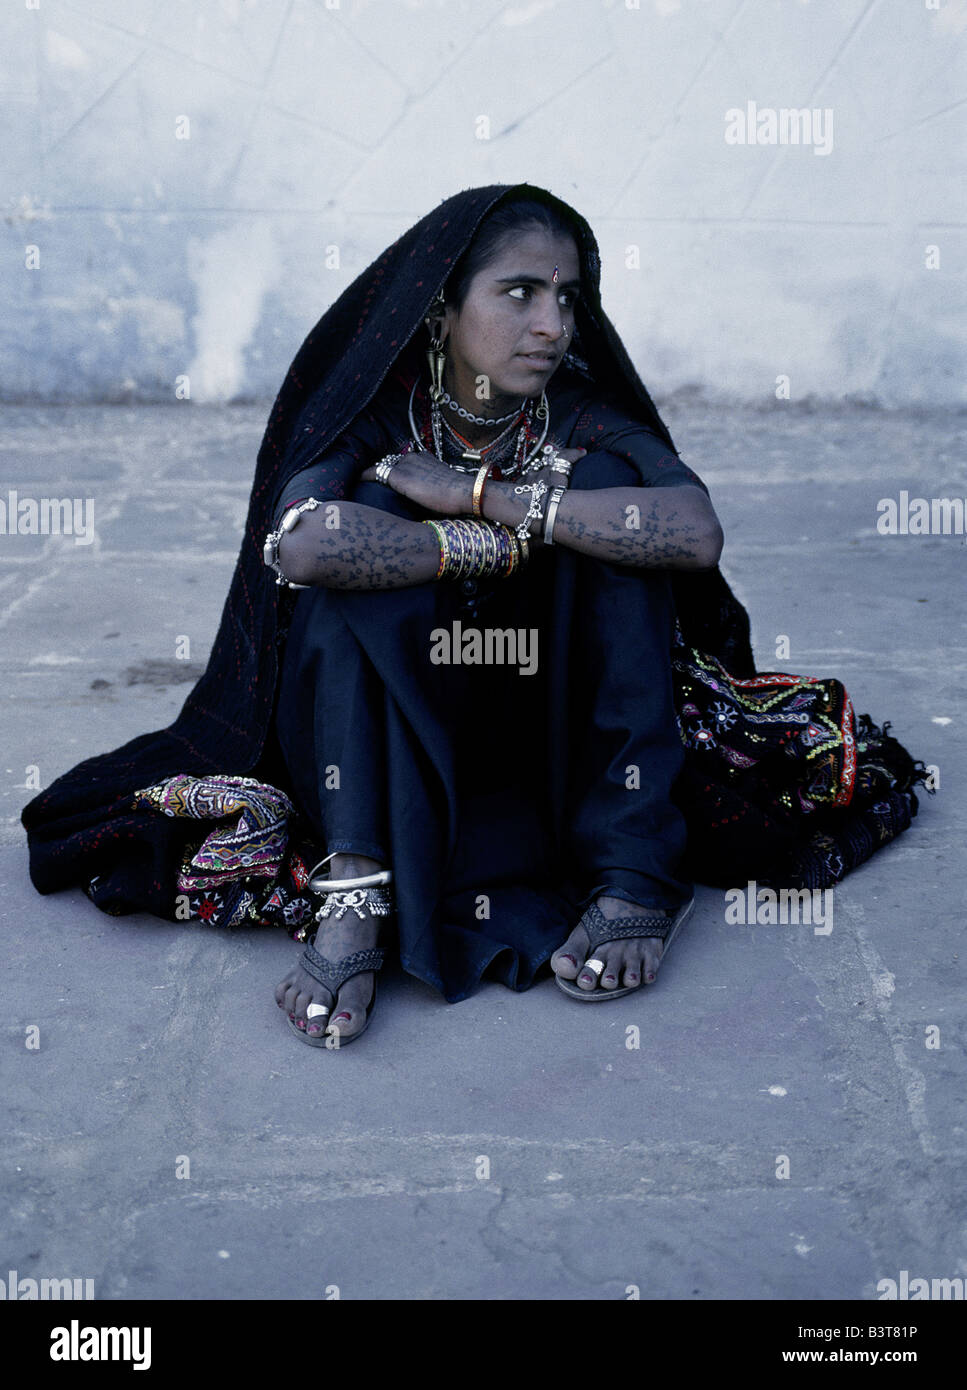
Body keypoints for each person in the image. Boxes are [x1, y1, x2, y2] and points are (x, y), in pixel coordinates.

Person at [21, 184, 926, 1049]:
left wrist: (483, 498)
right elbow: (301, 545)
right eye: (519, 293)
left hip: (541, 719)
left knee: (615, 512)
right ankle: (357, 889)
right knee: (351, 573)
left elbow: (693, 533)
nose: (551, 325)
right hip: (385, 731)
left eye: (567, 299)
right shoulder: (378, 411)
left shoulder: (578, 415)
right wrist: (463, 548)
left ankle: (633, 868)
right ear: (440, 309)